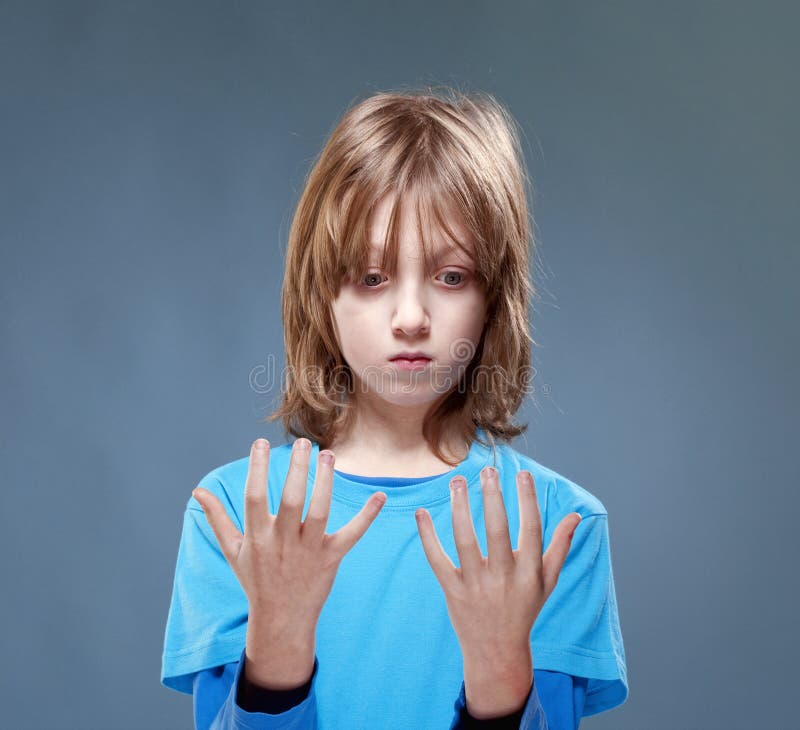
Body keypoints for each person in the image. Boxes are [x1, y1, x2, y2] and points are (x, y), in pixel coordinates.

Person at [160, 87, 628, 729]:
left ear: (496, 299)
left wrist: (498, 673)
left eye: (452, 276)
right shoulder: (239, 518)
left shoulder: (557, 526)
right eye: (372, 278)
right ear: (320, 296)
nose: (410, 318)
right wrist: (278, 642)